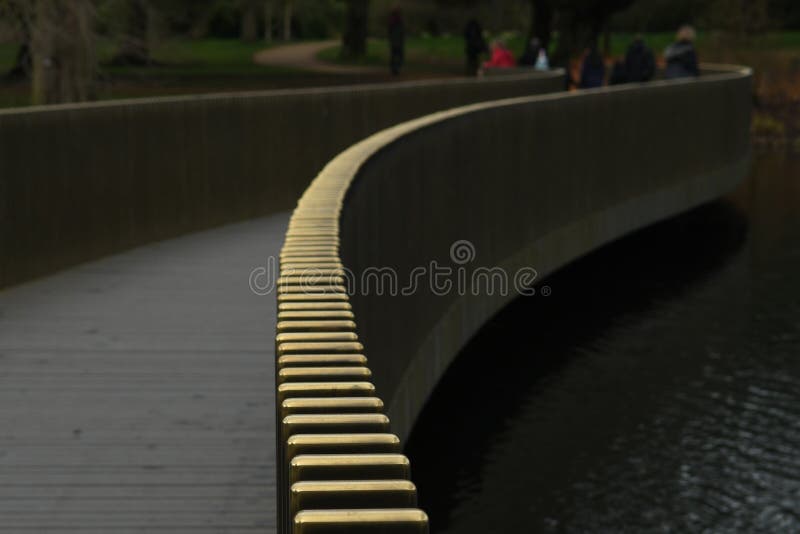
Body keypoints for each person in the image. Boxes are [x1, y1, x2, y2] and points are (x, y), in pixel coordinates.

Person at [388, 8, 405, 75]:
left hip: (394, 41)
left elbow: (389, 31)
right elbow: (402, 31)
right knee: (399, 56)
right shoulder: (399, 21)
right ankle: (396, 68)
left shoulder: (391, 21)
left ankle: (394, 68)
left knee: (394, 55)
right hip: (398, 41)